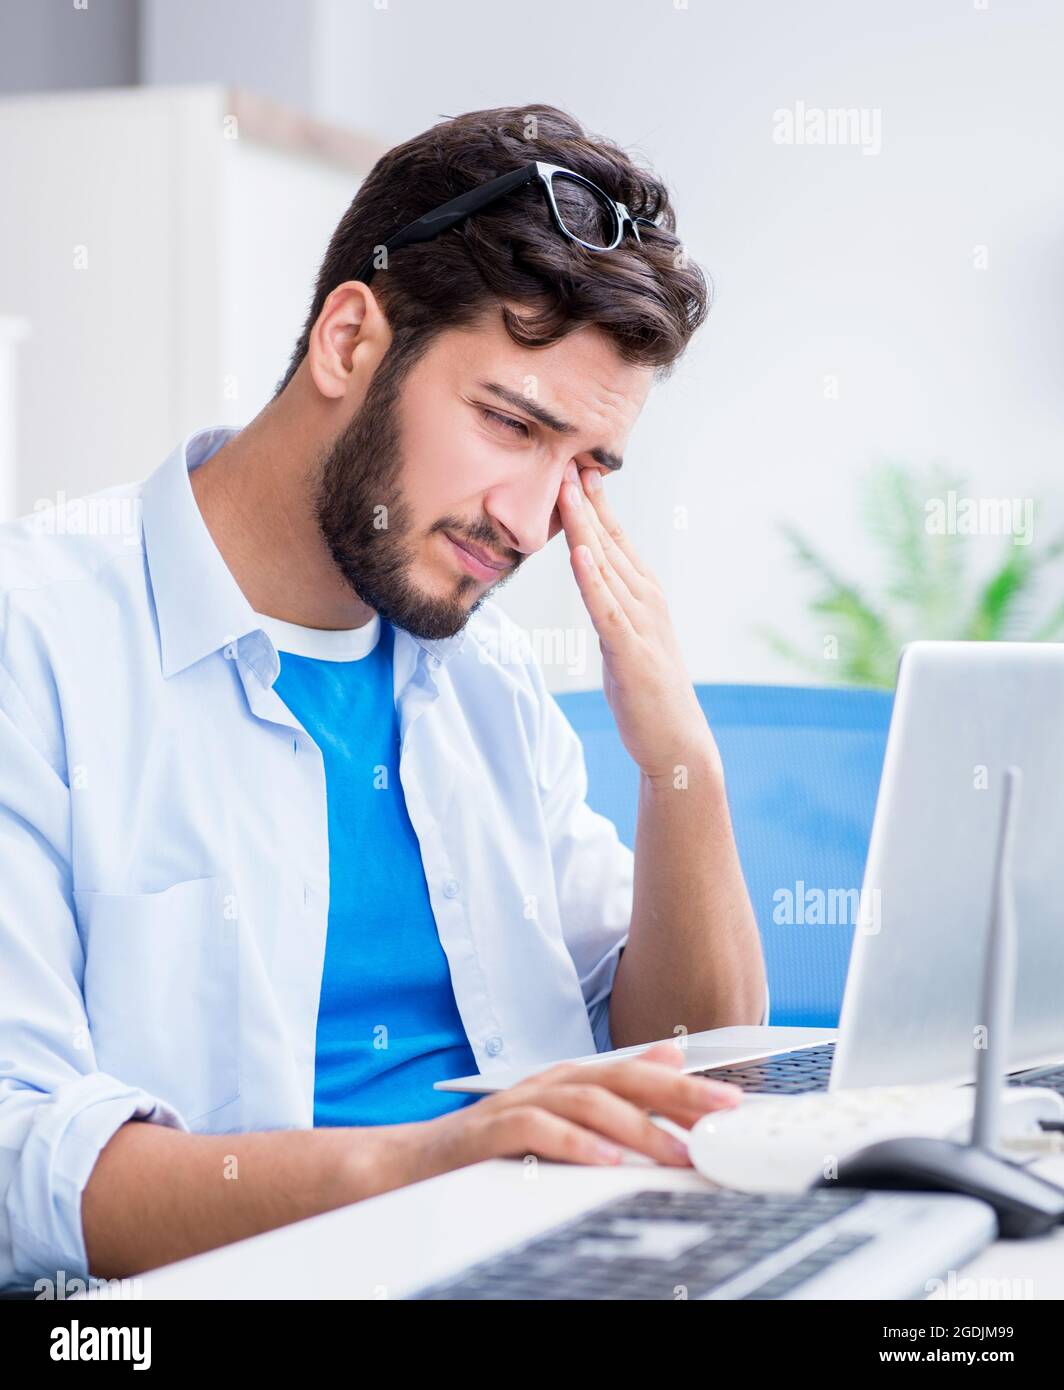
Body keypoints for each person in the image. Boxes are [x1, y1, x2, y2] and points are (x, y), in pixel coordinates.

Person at [0, 104, 765, 1289]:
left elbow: (697, 1075)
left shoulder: (486, 679)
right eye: (510, 423)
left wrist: (681, 762)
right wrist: (424, 1168)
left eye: (583, 468)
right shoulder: (37, 637)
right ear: (349, 340)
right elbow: (21, 1162)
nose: (526, 522)